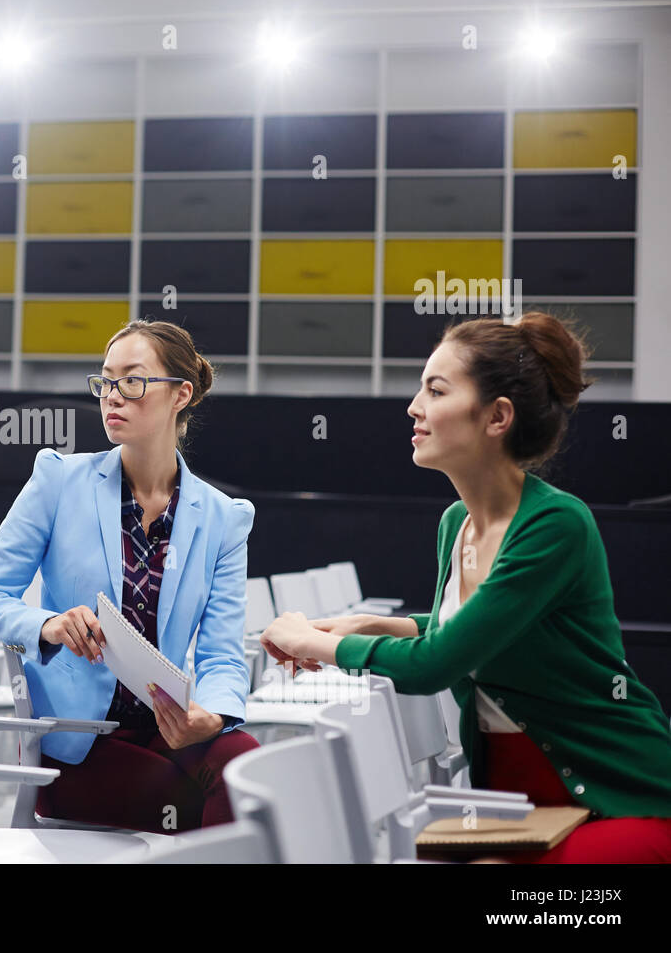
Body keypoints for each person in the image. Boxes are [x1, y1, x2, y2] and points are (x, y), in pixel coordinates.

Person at [260, 311, 671, 863]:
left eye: (435, 389)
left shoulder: (555, 526)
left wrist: (309, 640)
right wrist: (383, 624)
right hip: (518, 805)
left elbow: (436, 664)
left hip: (618, 799)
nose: (414, 406)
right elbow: (481, 631)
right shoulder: (456, 524)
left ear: (497, 416)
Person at [0, 319, 259, 833]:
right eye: (105, 381)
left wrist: (212, 716)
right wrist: (49, 624)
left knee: (253, 771)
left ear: (180, 395)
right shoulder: (57, 480)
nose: (112, 396)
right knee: (211, 803)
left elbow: (222, 655)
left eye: (133, 381)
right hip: (78, 741)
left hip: (168, 730)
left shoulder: (224, 518)